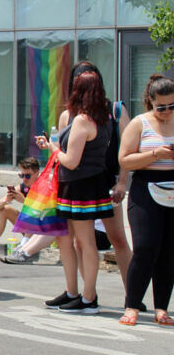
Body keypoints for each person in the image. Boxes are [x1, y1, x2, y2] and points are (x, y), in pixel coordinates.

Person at [35, 70, 113, 314]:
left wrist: (51, 148)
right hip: (89, 183)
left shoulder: (82, 120)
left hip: (80, 186)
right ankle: (76, 293)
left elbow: (71, 161)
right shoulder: (104, 117)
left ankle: (88, 298)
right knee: (74, 241)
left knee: (84, 242)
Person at [118, 74, 174, 327]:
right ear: (150, 102)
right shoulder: (139, 123)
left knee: (169, 252)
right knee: (144, 248)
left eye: (172, 106)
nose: (166, 111)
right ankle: (132, 305)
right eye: (161, 106)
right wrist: (155, 154)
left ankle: (162, 307)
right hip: (145, 188)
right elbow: (124, 160)